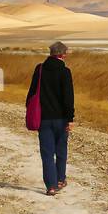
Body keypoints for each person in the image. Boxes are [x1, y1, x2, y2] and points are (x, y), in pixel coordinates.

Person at [26, 41, 75, 196]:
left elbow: (31, 93)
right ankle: (61, 180)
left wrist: (31, 110)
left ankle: (51, 186)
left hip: (44, 118)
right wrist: (70, 118)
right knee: (61, 150)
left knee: (47, 153)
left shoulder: (40, 69)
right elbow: (68, 98)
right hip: (61, 119)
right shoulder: (65, 72)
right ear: (63, 54)